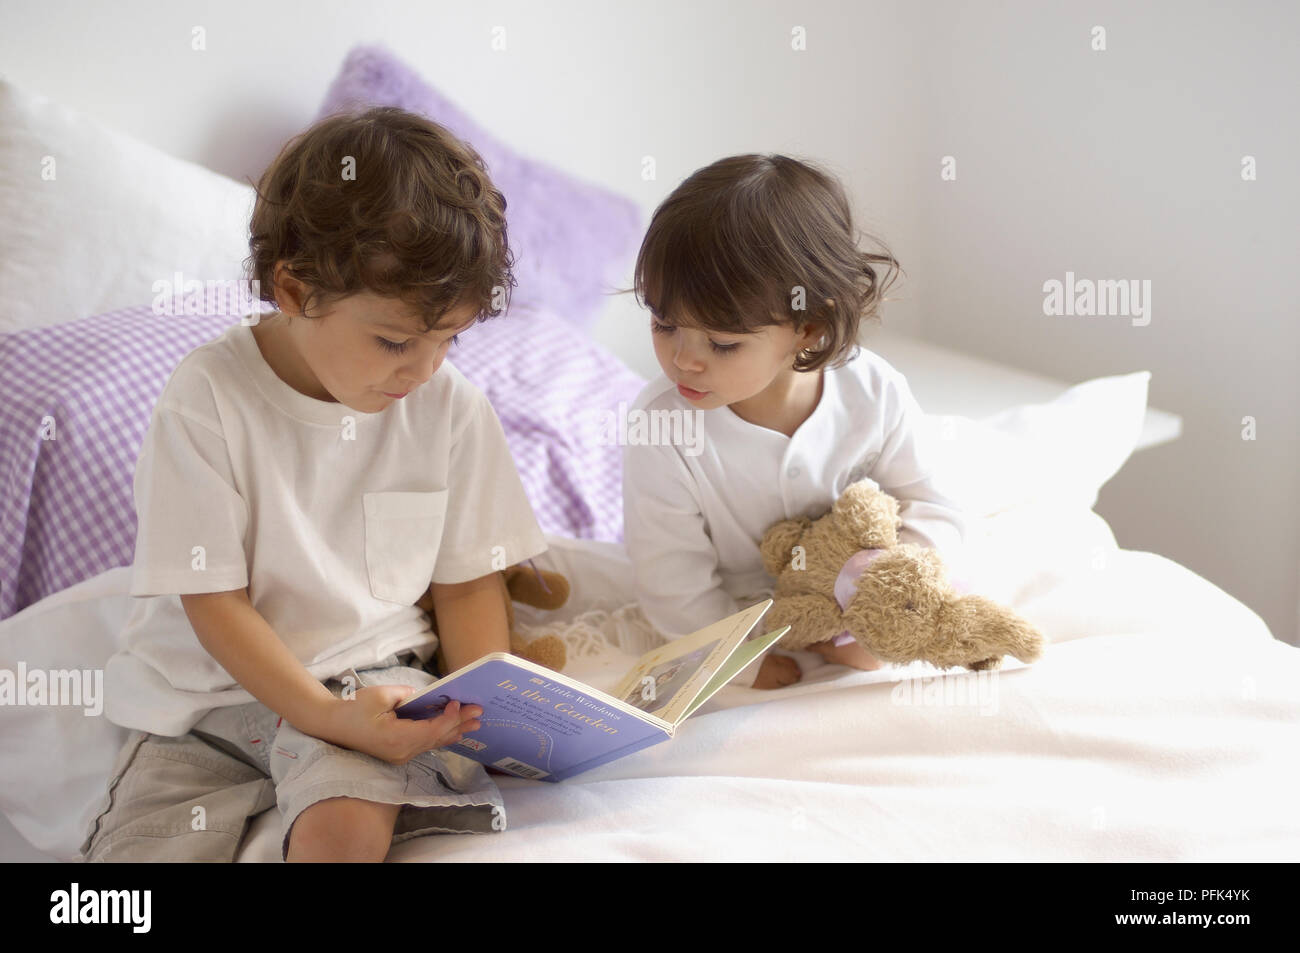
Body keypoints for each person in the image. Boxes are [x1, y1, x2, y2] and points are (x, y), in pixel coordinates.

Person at [81, 107, 548, 863]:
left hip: (374, 683)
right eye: (396, 340)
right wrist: (321, 717)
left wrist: (483, 710)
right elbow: (216, 604)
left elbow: (466, 584)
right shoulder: (208, 398)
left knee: (346, 828)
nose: (424, 368)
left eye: (448, 339)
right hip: (203, 702)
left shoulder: (449, 403)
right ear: (294, 290)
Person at [621, 154, 970, 691]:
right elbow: (672, 583)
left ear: (808, 327)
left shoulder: (873, 391)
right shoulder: (660, 428)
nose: (683, 360)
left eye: (722, 343)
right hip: (738, 611)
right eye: (664, 325)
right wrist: (740, 660)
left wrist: (881, 601)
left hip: (853, 591)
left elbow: (935, 505)